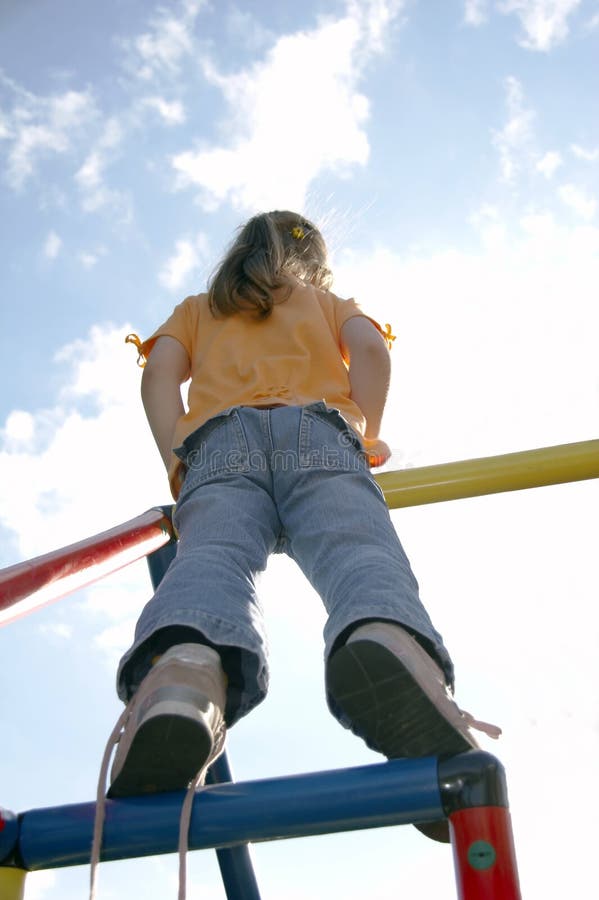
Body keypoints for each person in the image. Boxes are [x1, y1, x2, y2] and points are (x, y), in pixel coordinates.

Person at [94, 212, 499, 893]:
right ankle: (387, 638)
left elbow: (158, 375)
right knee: (355, 547)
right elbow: (371, 352)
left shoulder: (199, 310)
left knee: (212, 556)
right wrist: (366, 432)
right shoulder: (326, 301)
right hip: (321, 429)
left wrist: (176, 458)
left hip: (219, 444)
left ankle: (183, 676)